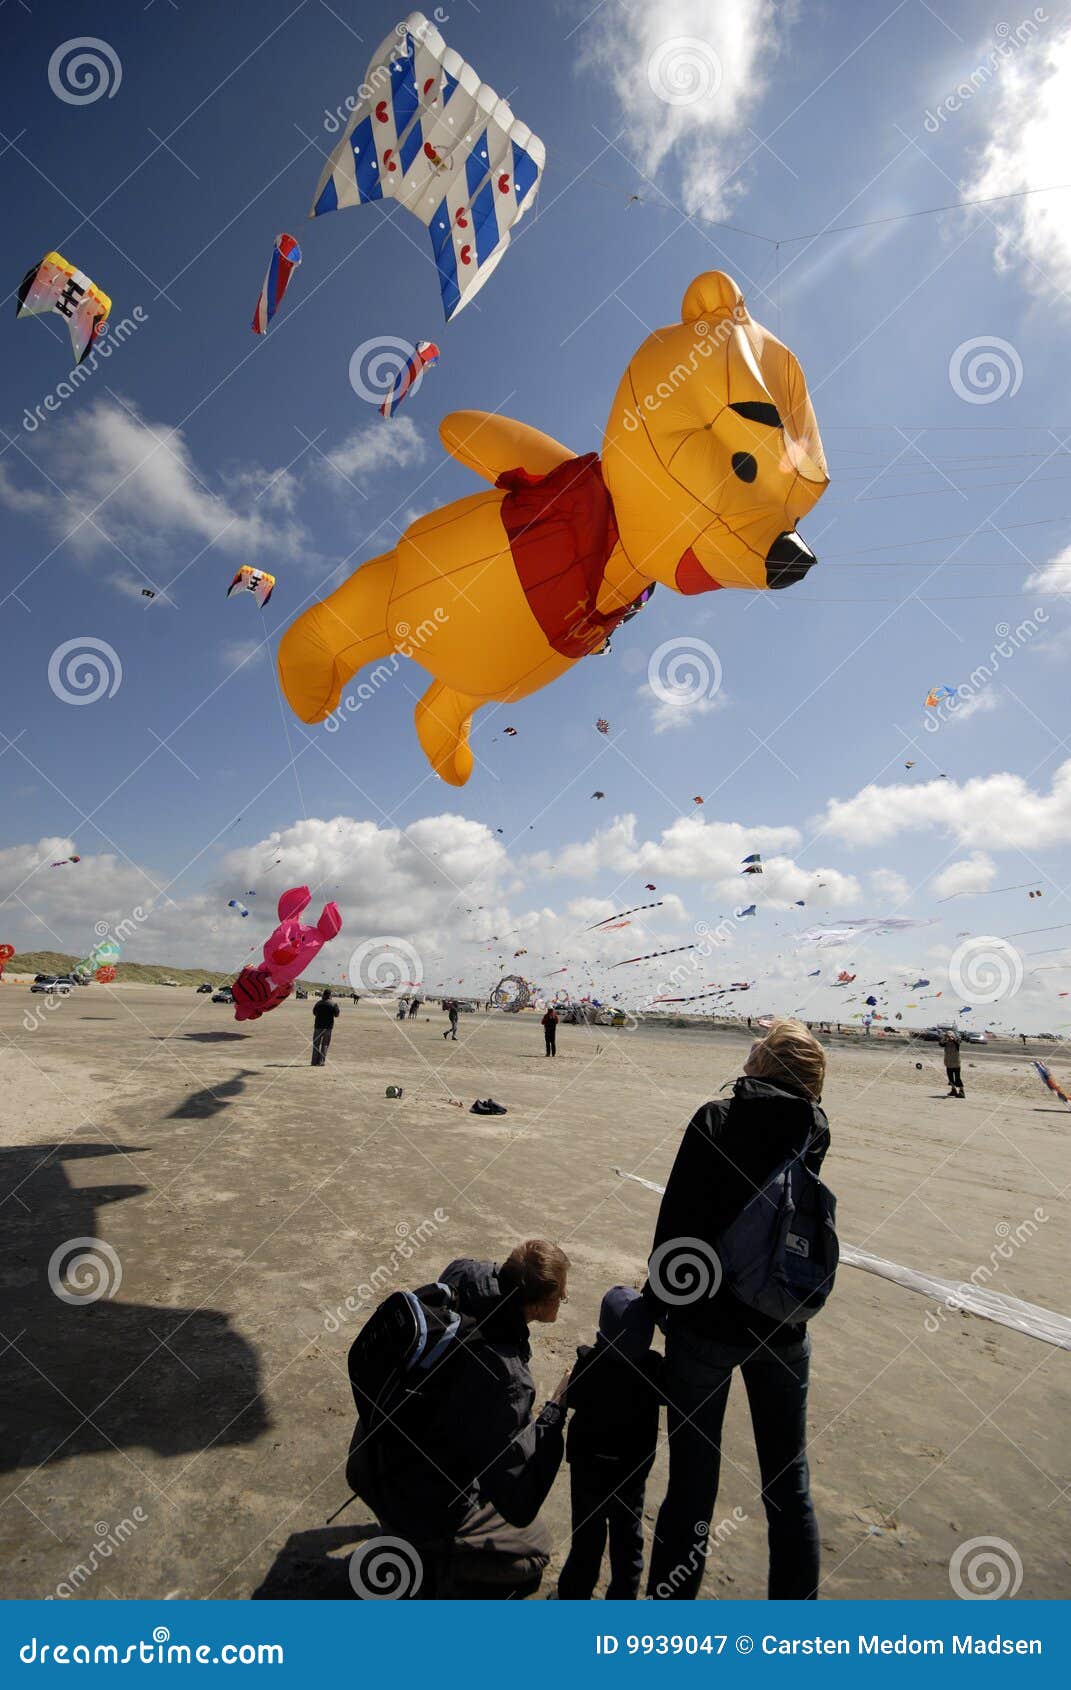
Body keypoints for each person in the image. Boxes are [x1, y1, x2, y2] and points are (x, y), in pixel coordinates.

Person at [645, 1019, 830, 1601]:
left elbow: (678, 1224)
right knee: (788, 1482)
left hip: (707, 1320)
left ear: (768, 1061)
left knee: (693, 1484)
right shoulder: (815, 1127)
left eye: (759, 1046)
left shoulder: (717, 1118)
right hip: (782, 1316)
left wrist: (658, 1302)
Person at [347, 1241, 571, 1598]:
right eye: (561, 1295)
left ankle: (408, 1528)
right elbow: (517, 1500)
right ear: (541, 1303)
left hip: (369, 1452)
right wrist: (554, 1412)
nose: (565, 1297)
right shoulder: (507, 1378)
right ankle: (427, 1566)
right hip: (414, 1495)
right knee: (535, 1550)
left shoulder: (463, 1273)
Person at [557, 1287, 664, 1601]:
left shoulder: (589, 1362)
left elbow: (571, 1396)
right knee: (627, 1543)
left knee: (585, 1541)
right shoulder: (652, 1370)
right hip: (630, 1475)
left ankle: (573, 1596)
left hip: (588, 1471)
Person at [311, 988, 339, 1066]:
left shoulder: (318, 1003)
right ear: (330, 995)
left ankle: (314, 1061)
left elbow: (314, 1012)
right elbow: (337, 1015)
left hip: (318, 1026)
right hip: (328, 1027)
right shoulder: (333, 1004)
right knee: (325, 1044)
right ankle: (321, 1061)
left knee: (316, 1044)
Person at [943, 1028, 964, 1097]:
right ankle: (953, 1090)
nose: (948, 1037)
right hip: (948, 1063)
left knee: (957, 1078)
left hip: (956, 1064)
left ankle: (961, 1092)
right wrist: (945, 1038)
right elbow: (940, 1043)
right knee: (950, 1078)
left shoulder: (956, 1042)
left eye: (948, 1036)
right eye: (947, 1036)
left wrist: (952, 1038)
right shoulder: (946, 1043)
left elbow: (957, 1042)